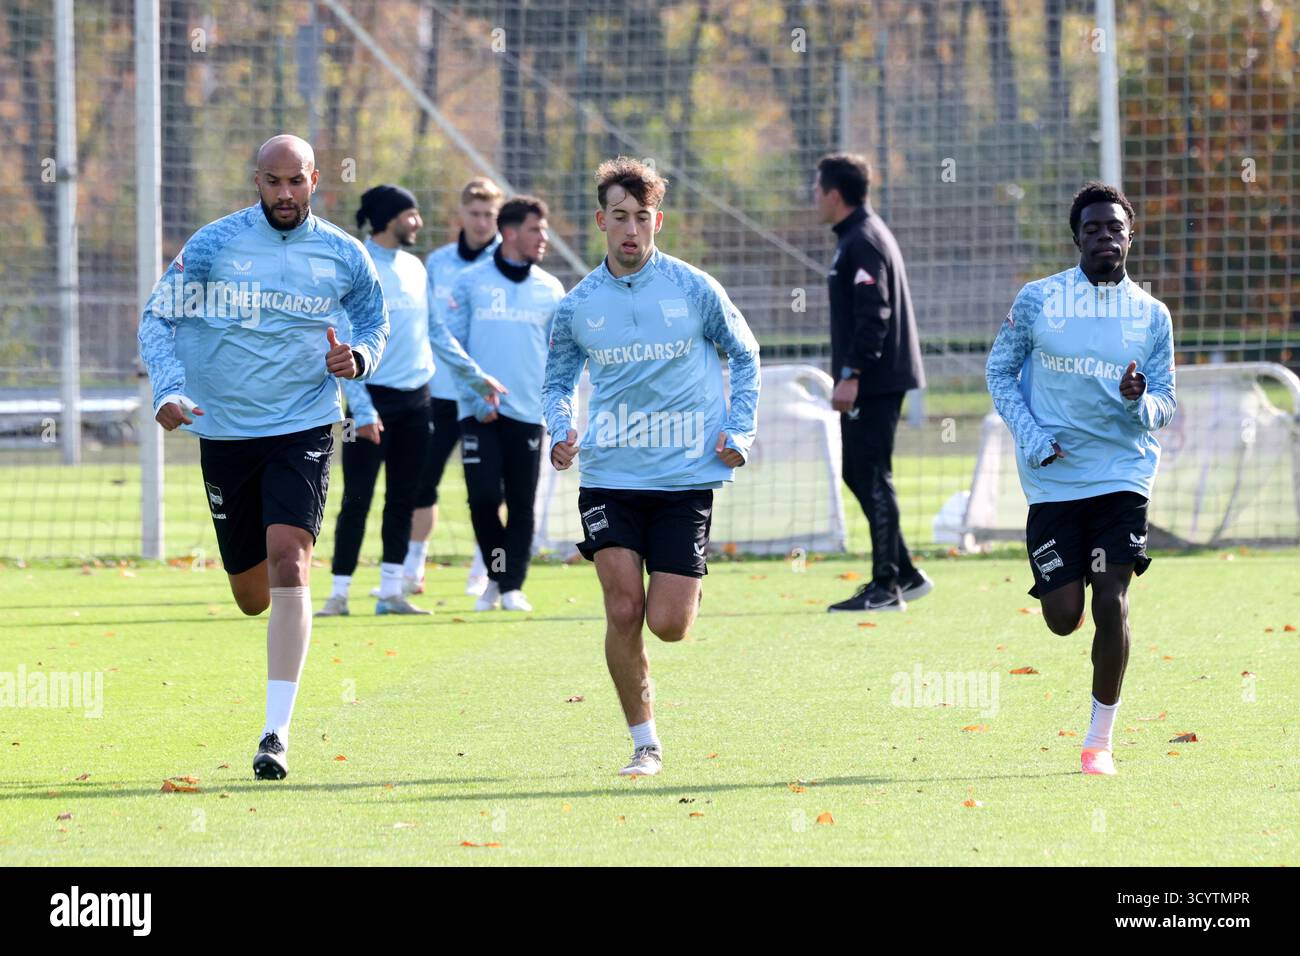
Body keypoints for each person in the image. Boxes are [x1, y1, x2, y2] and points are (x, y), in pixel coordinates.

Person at [138, 134, 389, 780]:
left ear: (315, 181)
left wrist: (357, 359)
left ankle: (276, 732)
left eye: (296, 182)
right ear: (257, 180)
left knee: (290, 558)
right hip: (224, 431)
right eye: (273, 182)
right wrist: (168, 388)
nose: (284, 194)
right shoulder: (216, 245)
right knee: (253, 594)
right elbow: (157, 318)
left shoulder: (342, 253)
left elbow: (373, 320)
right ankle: (265, 626)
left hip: (303, 424)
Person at [543, 157, 760, 777]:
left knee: (667, 624)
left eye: (642, 218)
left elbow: (745, 356)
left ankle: (679, 594)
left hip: (684, 479)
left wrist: (738, 429)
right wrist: (561, 432)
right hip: (609, 475)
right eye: (620, 217)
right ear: (600, 222)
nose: (631, 229)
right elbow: (556, 383)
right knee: (620, 610)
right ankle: (645, 742)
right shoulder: (579, 305)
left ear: (657, 220)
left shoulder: (695, 289)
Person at [986, 181, 1176, 776]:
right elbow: (999, 370)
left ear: (1130, 235)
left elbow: (1166, 401)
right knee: (1064, 616)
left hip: (1123, 472)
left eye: (1114, 228)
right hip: (1054, 476)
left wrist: (1139, 402)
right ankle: (1061, 598)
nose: (1104, 237)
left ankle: (1099, 742)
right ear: (1076, 237)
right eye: (1092, 228)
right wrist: (1033, 436)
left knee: (1111, 598)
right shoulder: (1039, 300)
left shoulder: (1151, 315)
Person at [814, 153, 932, 613]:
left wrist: (851, 375)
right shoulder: (856, 236)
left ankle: (887, 587)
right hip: (875, 379)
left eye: (816, 189)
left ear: (834, 194)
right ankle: (903, 571)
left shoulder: (862, 240)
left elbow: (875, 313)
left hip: (874, 381)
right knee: (857, 471)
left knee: (873, 474)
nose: (813, 197)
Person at [438, 196, 565, 612]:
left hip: (528, 413)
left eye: (544, 230)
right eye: (535, 229)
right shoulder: (471, 281)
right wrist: (476, 394)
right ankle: (496, 576)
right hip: (479, 411)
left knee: (523, 504)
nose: (543, 238)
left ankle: (510, 585)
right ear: (510, 232)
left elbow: (560, 357)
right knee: (483, 498)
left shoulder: (550, 290)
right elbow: (450, 343)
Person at [317, 185, 434, 617]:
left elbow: (434, 331)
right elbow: (345, 343)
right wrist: (363, 410)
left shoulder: (417, 268)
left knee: (403, 498)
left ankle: (390, 592)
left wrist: (476, 378)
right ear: (389, 218)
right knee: (356, 499)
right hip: (366, 402)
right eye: (411, 214)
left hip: (416, 402)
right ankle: (338, 593)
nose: (418, 222)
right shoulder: (358, 264)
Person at [404, 178, 505, 598]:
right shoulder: (439, 263)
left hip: (485, 395)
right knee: (420, 481)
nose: (482, 222)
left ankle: (486, 567)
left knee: (486, 488)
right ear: (460, 216)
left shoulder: (507, 262)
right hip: (439, 392)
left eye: (489, 215)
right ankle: (413, 567)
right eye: (475, 214)